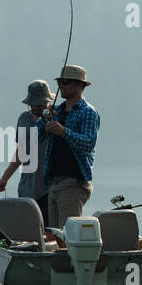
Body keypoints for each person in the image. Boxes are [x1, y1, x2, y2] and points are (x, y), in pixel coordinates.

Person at [41, 64, 99, 229]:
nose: (61, 86)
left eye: (66, 82)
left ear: (80, 85)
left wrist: (64, 131)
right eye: (60, 82)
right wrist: (45, 117)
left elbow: (88, 143)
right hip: (53, 183)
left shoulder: (88, 112)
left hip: (73, 183)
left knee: (67, 236)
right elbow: (36, 135)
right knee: (54, 235)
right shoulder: (57, 111)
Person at [0, 80, 54, 220]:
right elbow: (21, 152)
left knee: (50, 233)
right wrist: (4, 178)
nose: (36, 108)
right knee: (28, 230)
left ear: (48, 102)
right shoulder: (23, 119)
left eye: (40, 104)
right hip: (27, 189)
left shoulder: (56, 118)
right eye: (33, 105)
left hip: (49, 190)